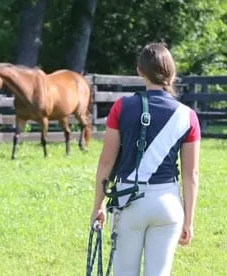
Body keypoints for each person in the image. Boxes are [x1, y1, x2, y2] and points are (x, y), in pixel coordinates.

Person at [91, 42, 200, 276]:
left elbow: (106, 162)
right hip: (167, 204)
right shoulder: (188, 116)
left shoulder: (121, 107)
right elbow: (191, 175)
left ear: (140, 71)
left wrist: (98, 205)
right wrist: (188, 221)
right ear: (171, 73)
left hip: (128, 202)